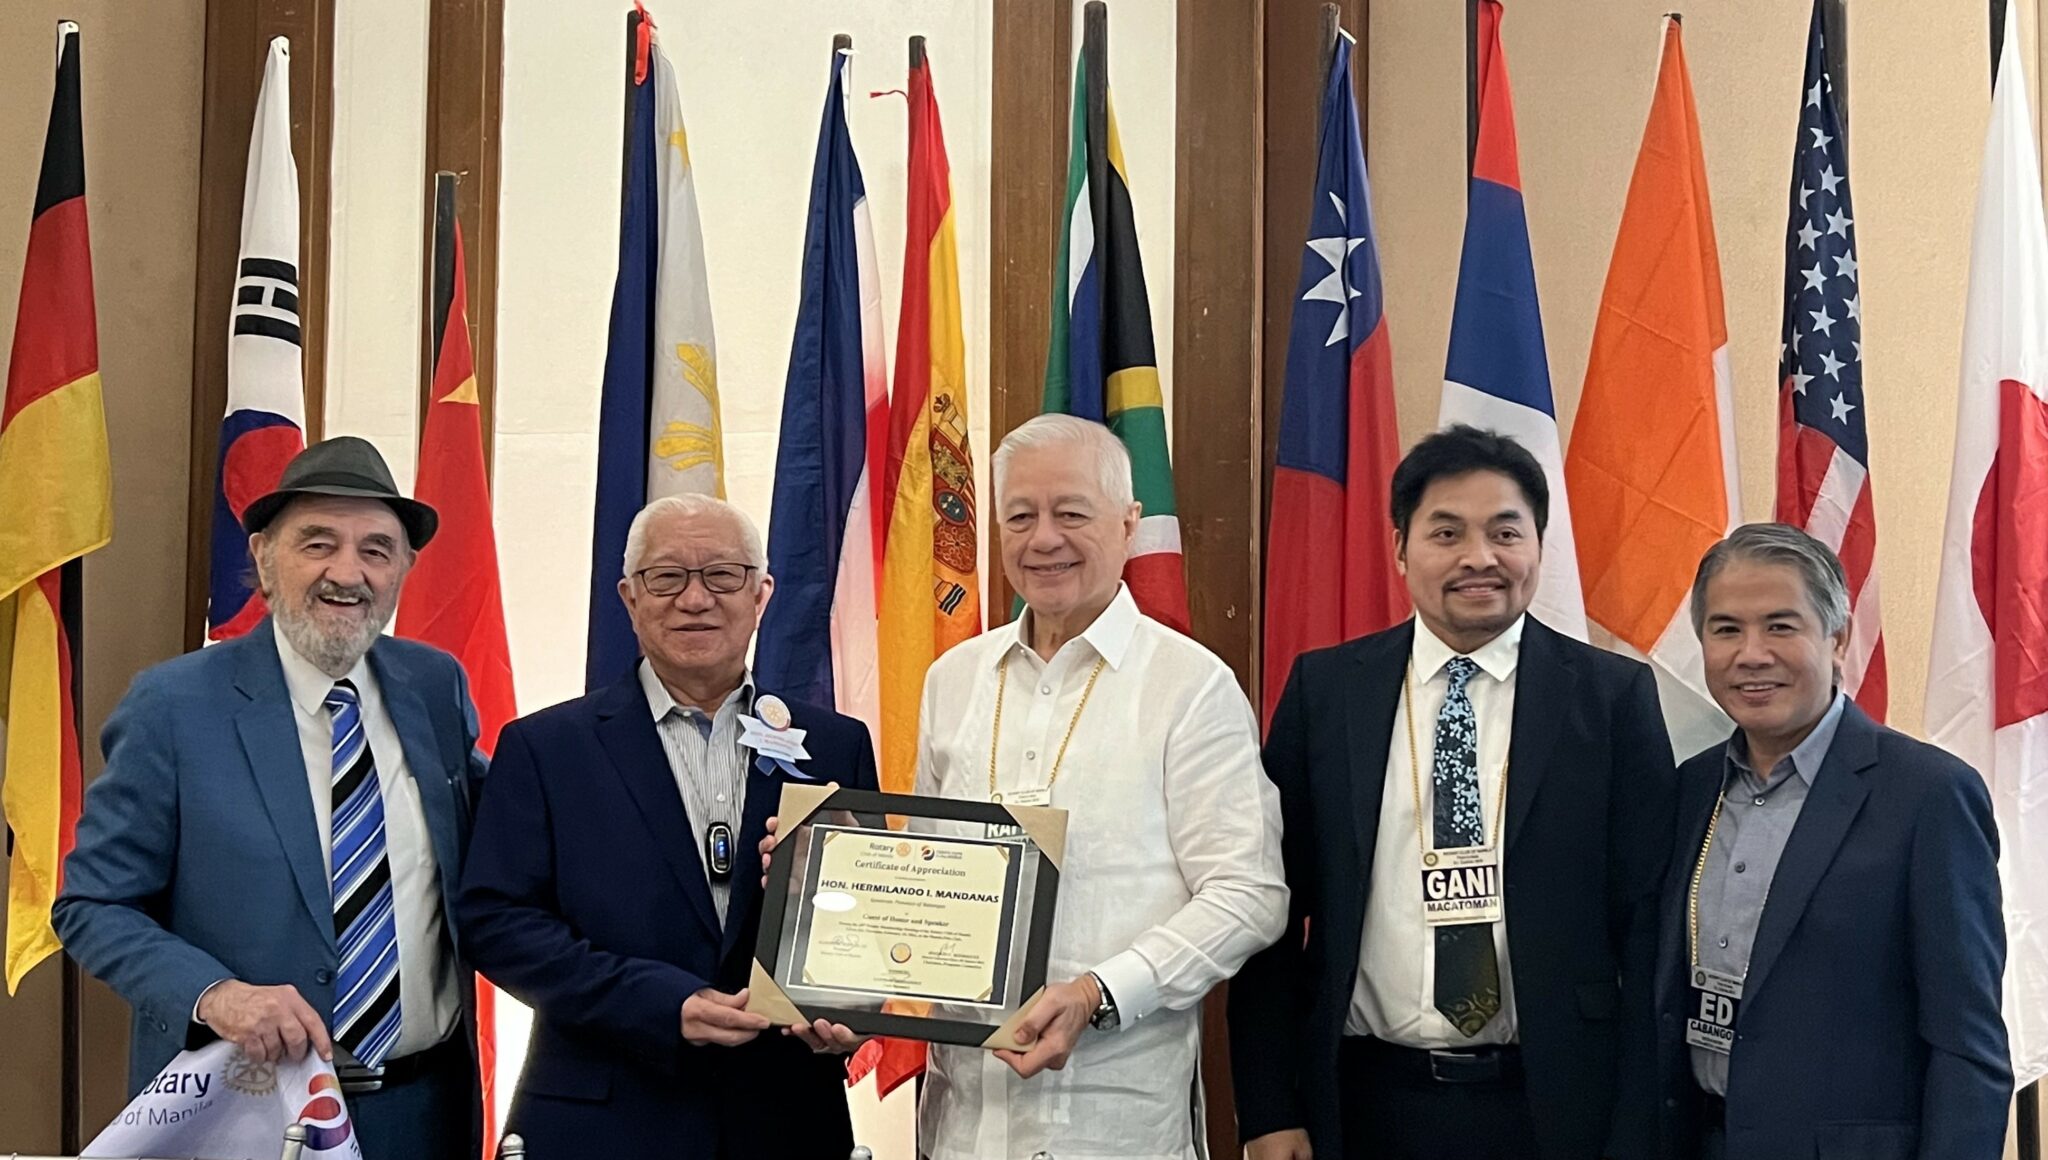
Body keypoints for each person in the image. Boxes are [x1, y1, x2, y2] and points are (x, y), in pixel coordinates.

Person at [1231, 424, 1678, 1160]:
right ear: (1401, 548)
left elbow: (1647, 927)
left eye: (1507, 531)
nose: (1480, 557)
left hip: (1554, 1107)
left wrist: (1637, 1130)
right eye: (1447, 532)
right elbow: (1272, 910)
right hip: (1365, 1099)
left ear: (1538, 546)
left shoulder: (1611, 697)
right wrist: (1270, 1108)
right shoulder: (1328, 692)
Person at [55, 436, 483, 1159]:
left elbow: (519, 835)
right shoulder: (175, 706)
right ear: (261, 559)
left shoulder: (435, 688)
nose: (348, 573)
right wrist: (217, 994)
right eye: (318, 543)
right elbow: (91, 905)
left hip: (424, 1114)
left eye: (377, 550)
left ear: (404, 570)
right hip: (246, 1119)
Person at [897, 413, 1288, 1160]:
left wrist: (1097, 994)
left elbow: (1250, 894)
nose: (1044, 539)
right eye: (1021, 517)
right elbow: (926, 880)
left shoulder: (1190, 686)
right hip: (960, 1127)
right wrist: (829, 906)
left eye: (1071, 513)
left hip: (1114, 1126)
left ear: (1129, 523)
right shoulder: (953, 681)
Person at [456, 493, 877, 1160]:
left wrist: (850, 1017)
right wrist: (657, 1002)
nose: (695, 599)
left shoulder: (833, 745)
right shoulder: (547, 748)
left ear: (762, 593)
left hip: (785, 1118)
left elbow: (861, 924)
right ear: (629, 597)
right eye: (667, 577)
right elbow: (497, 923)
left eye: (722, 575)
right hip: (603, 1118)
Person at [1652, 523, 2009, 1160]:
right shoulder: (1689, 789)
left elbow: (1967, 1046)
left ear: (1838, 638)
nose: (1751, 654)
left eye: (1781, 626)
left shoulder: (1927, 796)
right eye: (1726, 628)